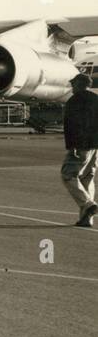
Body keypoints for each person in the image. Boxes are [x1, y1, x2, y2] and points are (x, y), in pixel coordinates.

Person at [61, 73, 98, 227]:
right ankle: (86, 219)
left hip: (81, 145)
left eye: (73, 84)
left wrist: (73, 146)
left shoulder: (74, 101)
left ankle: (88, 204)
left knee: (68, 175)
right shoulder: (96, 99)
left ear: (78, 84)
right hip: (95, 146)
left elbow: (72, 126)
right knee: (88, 177)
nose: (71, 87)